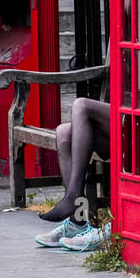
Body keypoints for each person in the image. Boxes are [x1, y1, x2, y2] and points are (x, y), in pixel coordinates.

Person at [33, 96, 113, 252]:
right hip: (128, 111)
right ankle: (78, 220)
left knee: (81, 104)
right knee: (63, 132)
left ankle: (73, 196)